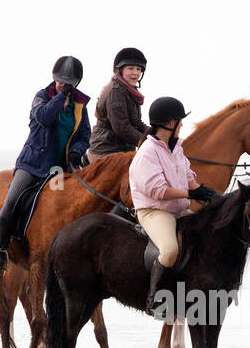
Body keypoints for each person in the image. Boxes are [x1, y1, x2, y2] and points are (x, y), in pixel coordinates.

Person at [0, 55, 91, 270]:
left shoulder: (80, 105)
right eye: (60, 80)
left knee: (71, 206)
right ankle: (0, 250)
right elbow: (44, 117)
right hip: (33, 164)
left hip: (59, 168)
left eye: (68, 83)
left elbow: (85, 134)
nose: (63, 85)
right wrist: (60, 97)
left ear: (77, 83)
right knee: (11, 201)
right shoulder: (42, 97)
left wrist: (76, 152)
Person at [128, 96, 217, 315]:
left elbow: (189, 177)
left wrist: (209, 195)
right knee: (169, 251)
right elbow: (157, 190)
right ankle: (154, 298)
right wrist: (190, 193)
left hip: (177, 209)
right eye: (180, 121)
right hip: (154, 211)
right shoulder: (148, 153)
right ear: (170, 123)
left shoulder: (176, 148)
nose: (182, 125)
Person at [89, 47, 148, 156]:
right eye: (130, 68)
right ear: (120, 70)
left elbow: (137, 123)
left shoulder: (130, 91)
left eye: (138, 69)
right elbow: (121, 128)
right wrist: (149, 143)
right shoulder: (116, 92)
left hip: (123, 149)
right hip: (106, 150)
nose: (135, 73)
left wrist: (159, 134)